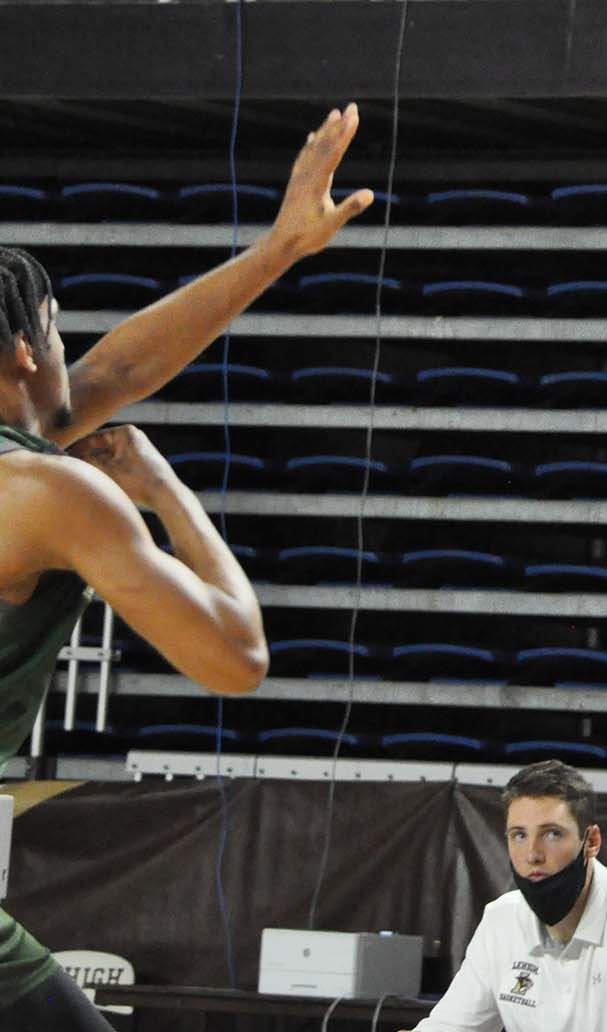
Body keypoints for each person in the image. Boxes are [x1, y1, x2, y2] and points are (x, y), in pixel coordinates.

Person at [0, 105, 374, 1032]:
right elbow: (235, 658)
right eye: (56, 329)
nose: (72, 353)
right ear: (22, 350)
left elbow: (118, 371)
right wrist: (167, 495)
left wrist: (278, 251)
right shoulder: (50, 494)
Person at [409, 761, 607, 1032]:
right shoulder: (502, 920)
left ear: (592, 842)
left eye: (552, 834)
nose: (533, 855)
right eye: (519, 835)